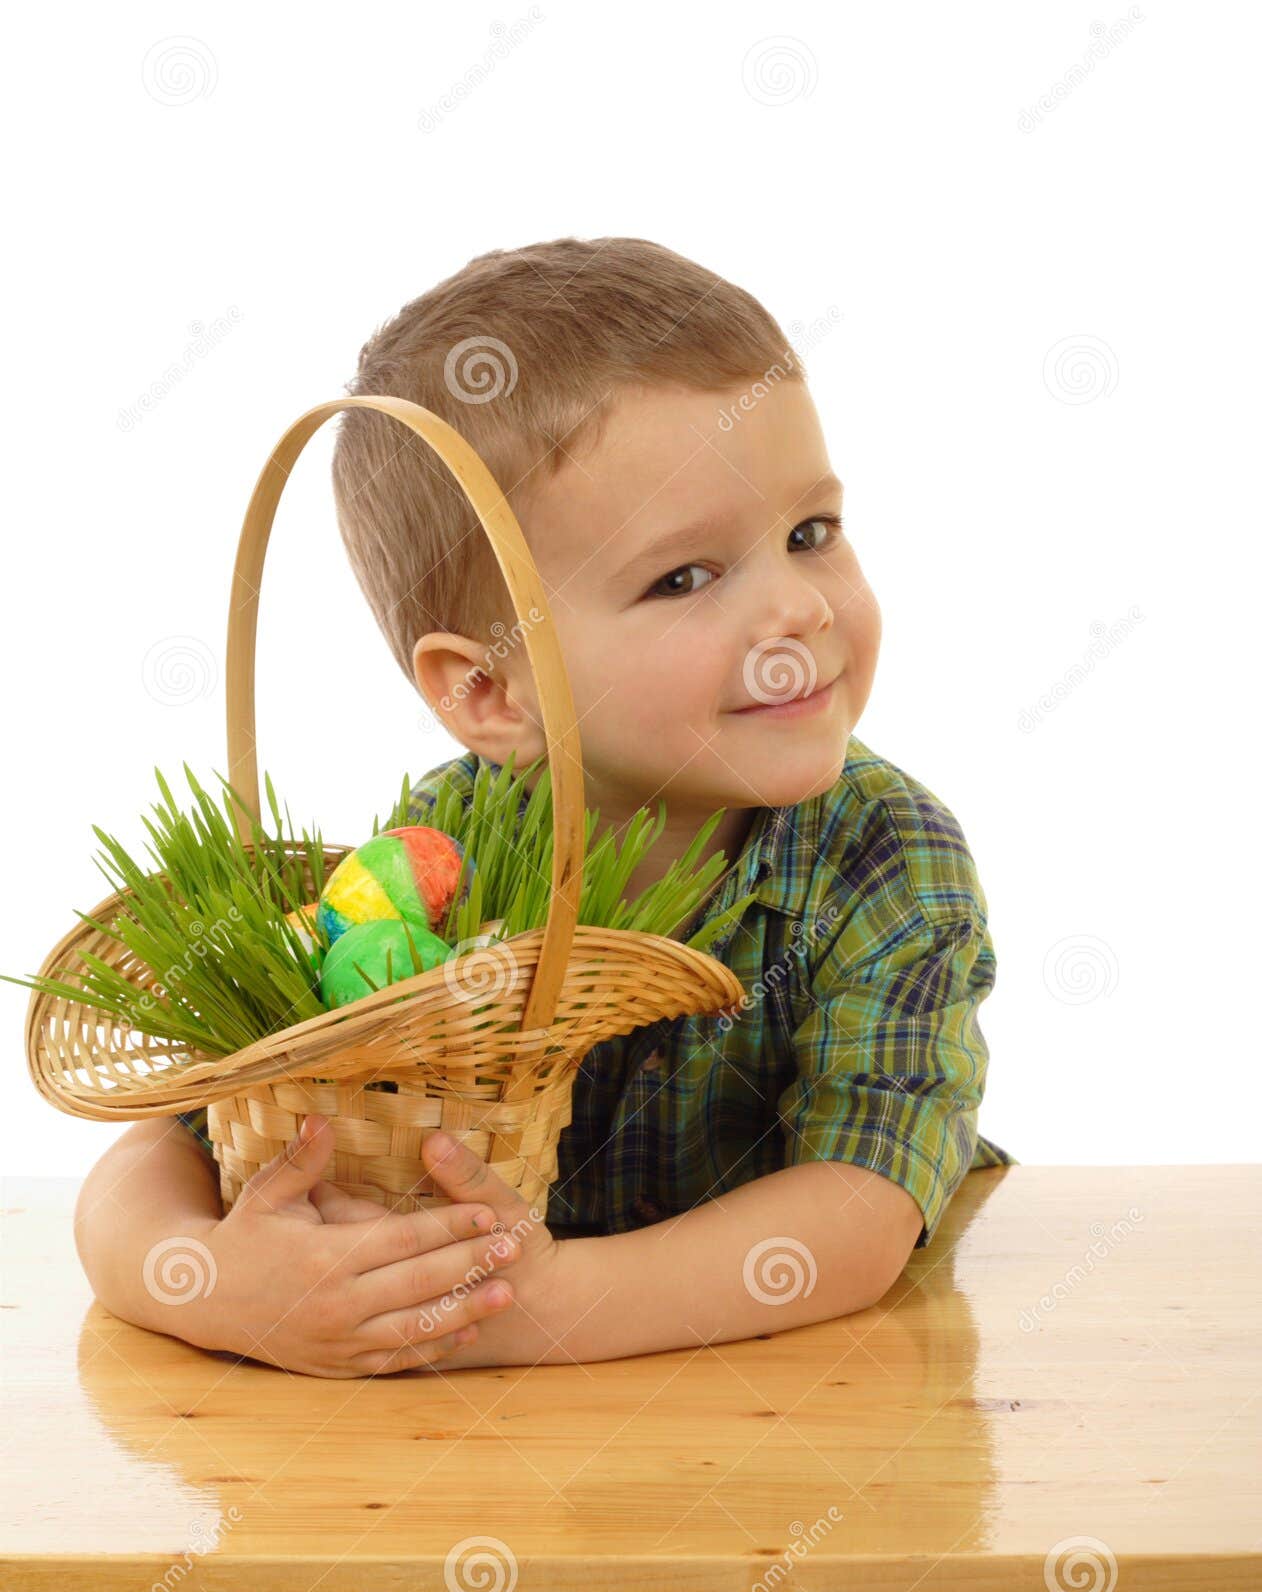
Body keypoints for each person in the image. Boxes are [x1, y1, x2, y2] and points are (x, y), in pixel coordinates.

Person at [74, 236, 1014, 1379]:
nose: (800, 608)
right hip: (529, 1454)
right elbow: (150, 1164)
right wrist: (218, 1281)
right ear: (487, 692)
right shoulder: (439, 861)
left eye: (808, 534)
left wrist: (533, 1309)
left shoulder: (880, 851)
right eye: (685, 577)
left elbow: (857, 1214)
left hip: (807, 1398)